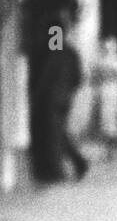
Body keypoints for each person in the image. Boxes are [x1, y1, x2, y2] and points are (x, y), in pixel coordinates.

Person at [32, 20, 88, 182]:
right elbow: (78, 78)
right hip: (65, 98)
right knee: (58, 132)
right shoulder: (70, 52)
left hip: (50, 98)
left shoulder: (53, 51)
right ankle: (77, 162)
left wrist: (38, 95)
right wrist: (68, 92)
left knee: (53, 134)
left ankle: (57, 170)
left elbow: (45, 77)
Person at [92, 37, 117, 160]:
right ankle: (108, 149)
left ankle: (112, 149)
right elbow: (94, 76)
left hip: (114, 92)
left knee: (112, 121)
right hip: (104, 92)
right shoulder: (101, 61)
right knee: (104, 121)